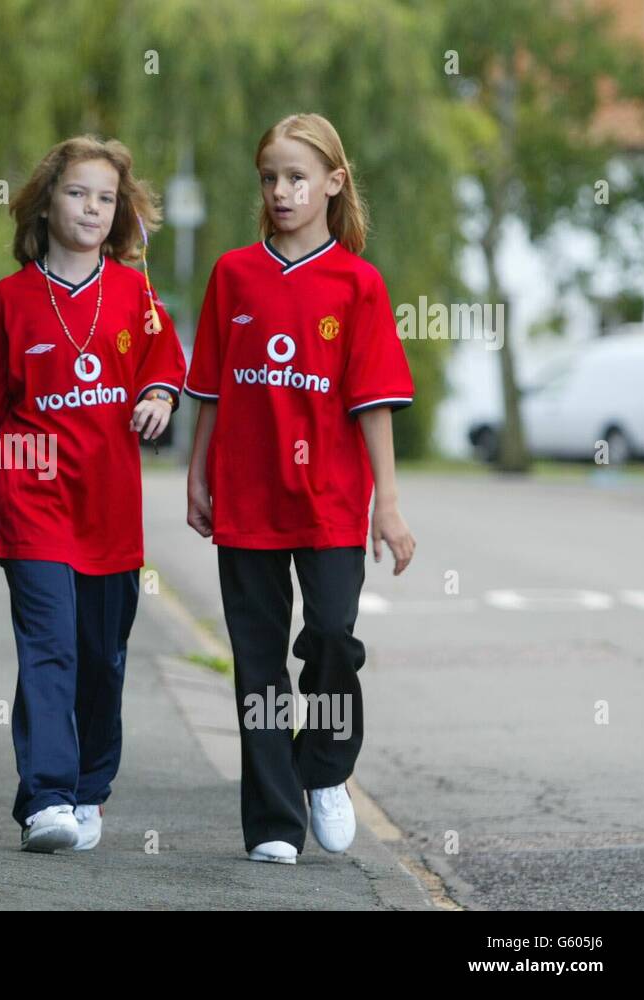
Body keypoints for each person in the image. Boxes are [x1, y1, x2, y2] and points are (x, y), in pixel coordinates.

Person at [0, 134, 186, 853]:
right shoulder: (9, 303)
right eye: (77, 193)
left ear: (120, 212)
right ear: (46, 203)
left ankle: (90, 788)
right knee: (48, 649)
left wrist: (159, 397)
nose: (92, 208)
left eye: (106, 197)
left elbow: (164, 366)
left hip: (109, 509)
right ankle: (47, 799)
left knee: (102, 656)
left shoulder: (137, 294)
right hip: (31, 497)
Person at [184, 113, 417, 865]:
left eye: (296, 178)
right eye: (270, 179)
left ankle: (323, 769)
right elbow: (212, 390)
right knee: (256, 664)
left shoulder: (359, 283)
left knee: (330, 641)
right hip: (246, 496)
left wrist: (389, 501)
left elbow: (373, 398)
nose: (281, 192)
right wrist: (197, 473)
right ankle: (275, 824)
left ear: (332, 183)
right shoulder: (232, 274)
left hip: (330, 499)